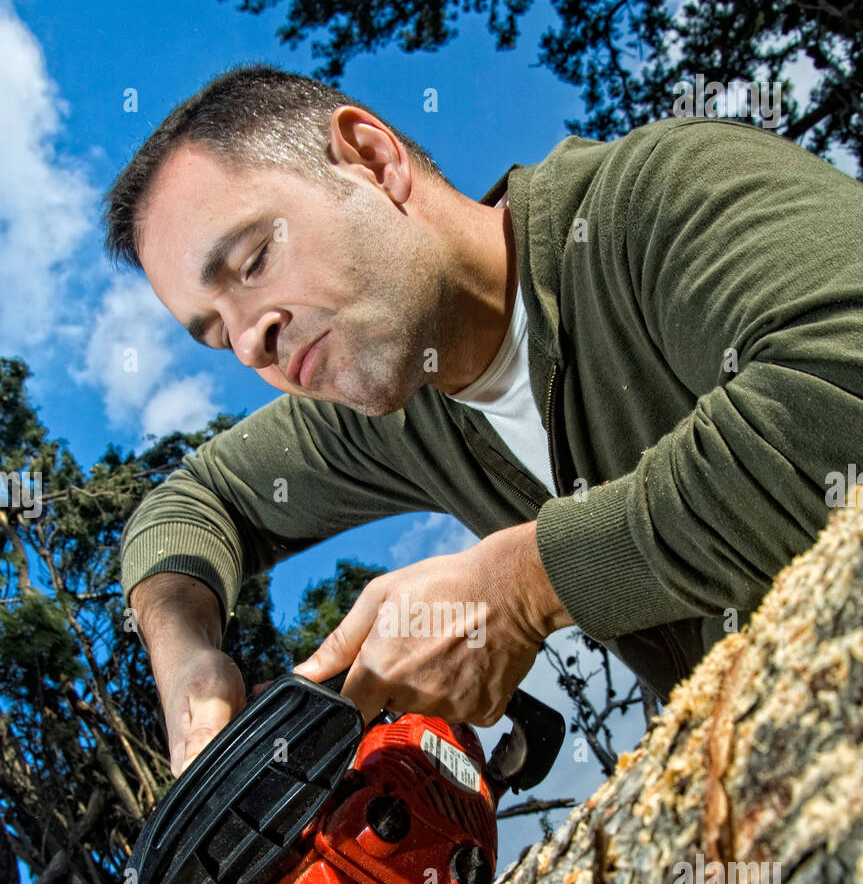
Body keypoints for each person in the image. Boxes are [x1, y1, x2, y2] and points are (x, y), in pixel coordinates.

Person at [106, 64, 863, 777]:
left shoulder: (658, 194)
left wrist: (525, 583)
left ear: (371, 159)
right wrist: (185, 658)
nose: (247, 342)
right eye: (214, 333)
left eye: (252, 261)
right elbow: (192, 504)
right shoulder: (383, 414)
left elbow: (840, 386)